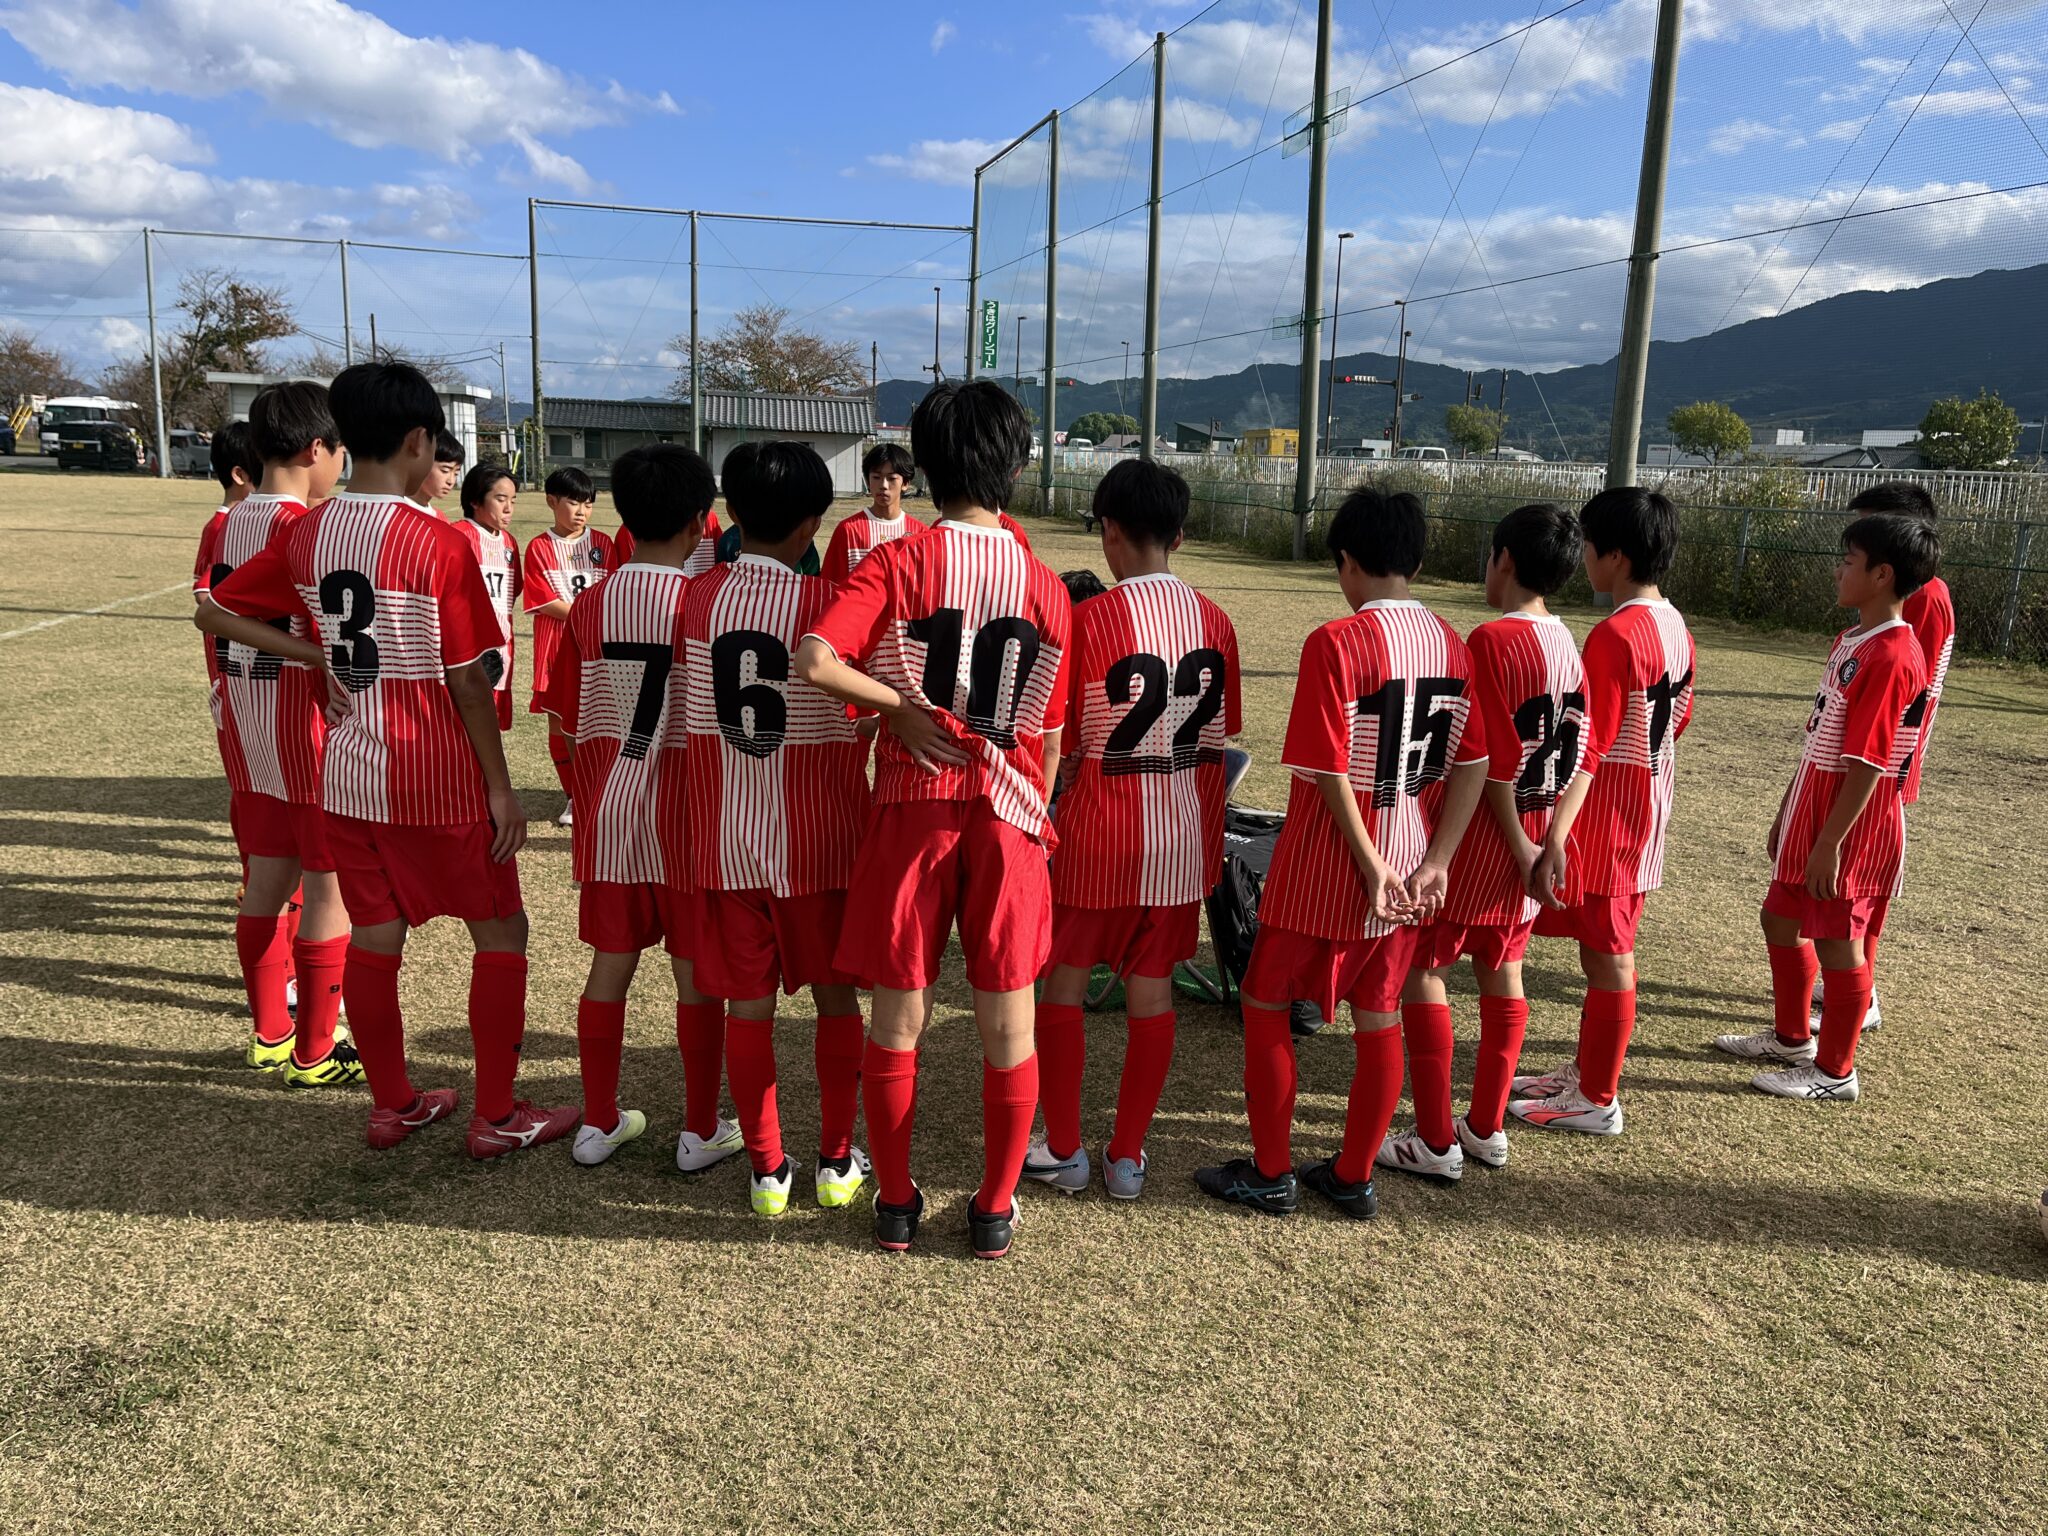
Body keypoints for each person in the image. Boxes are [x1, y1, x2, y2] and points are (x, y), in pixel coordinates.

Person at [199, 361, 571, 1157]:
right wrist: (502, 790)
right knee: (502, 933)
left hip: (347, 778)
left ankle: (393, 1105)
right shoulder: (436, 542)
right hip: (437, 779)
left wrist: (313, 656)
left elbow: (217, 609)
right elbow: (470, 681)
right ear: (414, 442)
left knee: (376, 940)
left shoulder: (309, 529)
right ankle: (498, 1114)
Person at [795, 379, 1071, 1260]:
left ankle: (898, 1200)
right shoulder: (1045, 583)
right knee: (1007, 1022)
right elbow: (1053, 737)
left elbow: (815, 660)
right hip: (1008, 813)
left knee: (898, 1018)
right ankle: (993, 1207)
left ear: (927, 466)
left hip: (914, 809)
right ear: (1014, 465)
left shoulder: (898, 561)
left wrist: (898, 711)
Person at [1194, 485, 1487, 1221]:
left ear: (1347, 563)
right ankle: (1354, 1175)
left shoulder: (1336, 641)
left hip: (1330, 866)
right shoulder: (1453, 643)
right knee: (1380, 1013)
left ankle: (1270, 1171)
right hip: (1412, 862)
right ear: (1417, 560)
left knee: (1264, 1000)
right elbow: (1475, 763)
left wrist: (1365, 861)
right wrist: (1438, 859)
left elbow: (1325, 768)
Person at [1026, 459, 1240, 1200]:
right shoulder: (1218, 622)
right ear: (1179, 535)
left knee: (1060, 988)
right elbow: (1219, 740)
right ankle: (1126, 1155)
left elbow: (1070, 744)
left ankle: (1062, 1148)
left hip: (1100, 837)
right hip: (1184, 842)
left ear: (1110, 532)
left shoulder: (1089, 620)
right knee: (1154, 996)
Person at [680, 441, 873, 1216]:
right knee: (836, 1001)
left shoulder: (694, 599)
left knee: (747, 1008)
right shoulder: (827, 603)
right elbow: (857, 711)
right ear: (811, 527)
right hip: (821, 842)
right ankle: (834, 1159)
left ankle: (767, 1170)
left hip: (727, 843)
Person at [540, 444, 740, 1175]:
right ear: (700, 522)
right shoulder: (706, 602)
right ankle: (698, 1129)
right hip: (691, 822)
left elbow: (565, 718)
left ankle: (597, 1122)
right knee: (696, 977)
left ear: (622, 517)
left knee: (609, 968)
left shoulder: (589, 605)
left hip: (614, 817)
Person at [1379, 502, 1588, 1182]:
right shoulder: (1569, 644)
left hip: (1480, 839)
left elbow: (1488, 757)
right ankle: (1487, 1126)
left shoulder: (1492, 641)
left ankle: (1436, 1138)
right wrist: (1547, 840)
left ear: (1503, 559)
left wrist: (1516, 845)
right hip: (1535, 831)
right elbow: (1584, 754)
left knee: (1426, 972)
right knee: (1504, 974)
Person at [1713, 514, 1936, 1102]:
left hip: (1850, 821)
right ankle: (1791, 1038)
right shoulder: (1853, 639)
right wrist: (1788, 809)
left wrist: (1829, 841)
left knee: (1839, 940)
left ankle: (1836, 1071)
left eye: (1848, 560)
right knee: (1778, 918)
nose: (1838, 570)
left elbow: (1869, 763)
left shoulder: (1893, 653)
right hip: (1814, 806)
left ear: (1882, 574)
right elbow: (1822, 738)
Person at [1508, 487, 1695, 1137]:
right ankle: (1587, 1071)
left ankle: (1597, 1096)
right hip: (1644, 810)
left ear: (1614, 555)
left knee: (1610, 954)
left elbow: (1589, 746)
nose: (1581, 557)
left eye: (1588, 546)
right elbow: (1678, 720)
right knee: (1600, 951)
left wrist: (1556, 832)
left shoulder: (1616, 635)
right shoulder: (1674, 623)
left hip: (1613, 819)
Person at [191, 387, 359, 1086]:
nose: (341, 467)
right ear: (315, 450)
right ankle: (317, 1052)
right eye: (339, 453)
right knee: (327, 888)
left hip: (244, 721)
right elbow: (302, 630)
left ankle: (269, 1033)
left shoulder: (223, 524)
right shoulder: (305, 529)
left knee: (264, 878)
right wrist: (323, 661)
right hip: (304, 726)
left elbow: (210, 610)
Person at [1818, 482, 1950, 1036]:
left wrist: (1892, 760)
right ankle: (1846, 982)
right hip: (1861, 752)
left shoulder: (1925, 599)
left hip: (1883, 759)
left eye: (1870, 528)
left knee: (1863, 876)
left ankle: (1860, 989)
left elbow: (1905, 688)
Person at [523, 465, 613, 825]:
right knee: (559, 726)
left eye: (588, 504)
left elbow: (612, 595)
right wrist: (585, 614)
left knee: (595, 724)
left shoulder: (603, 545)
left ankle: (599, 791)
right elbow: (544, 601)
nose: (581, 512)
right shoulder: (540, 547)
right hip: (555, 650)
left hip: (595, 652)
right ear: (551, 501)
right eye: (573, 503)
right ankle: (574, 797)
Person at [453, 463, 521, 730]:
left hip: (502, 647)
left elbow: (512, 593)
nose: (508, 508)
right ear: (475, 500)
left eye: (512, 500)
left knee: (490, 727)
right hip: (468, 653)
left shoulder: (509, 542)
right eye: (500, 499)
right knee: (463, 727)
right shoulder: (458, 535)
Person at [820, 442, 926, 583]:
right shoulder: (848, 530)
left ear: (905, 483)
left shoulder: (920, 534)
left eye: (891, 478)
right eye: (876, 477)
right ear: (868, 481)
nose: (883, 485)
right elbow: (830, 585)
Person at [411, 429, 464, 517]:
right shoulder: (395, 514)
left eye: (456, 474)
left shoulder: (439, 517)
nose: (451, 481)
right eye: (445, 471)